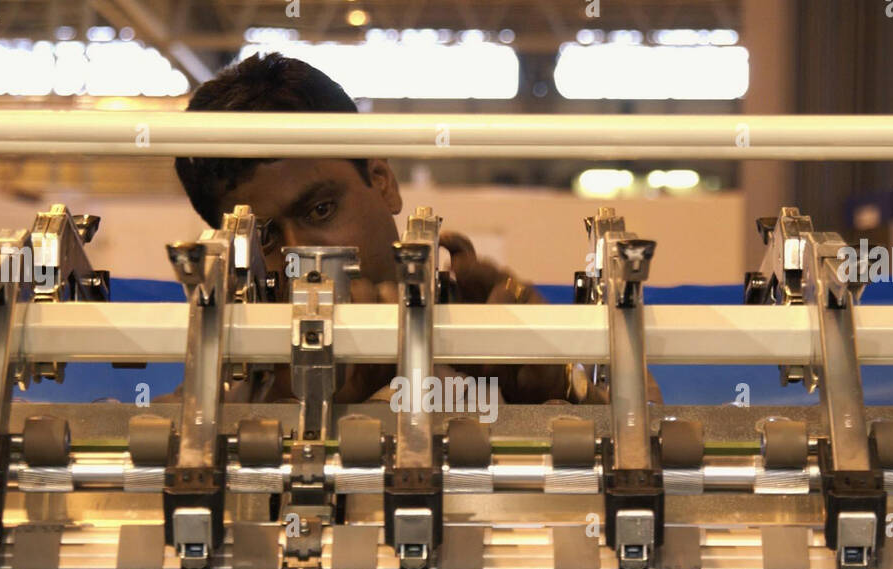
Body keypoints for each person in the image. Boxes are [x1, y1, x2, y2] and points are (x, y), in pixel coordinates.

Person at [174, 52, 658, 405]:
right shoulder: (228, 385)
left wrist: (560, 389)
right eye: (266, 239)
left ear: (382, 182)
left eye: (320, 210)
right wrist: (286, 401)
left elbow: (667, 444)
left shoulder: (502, 332)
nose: (301, 253)